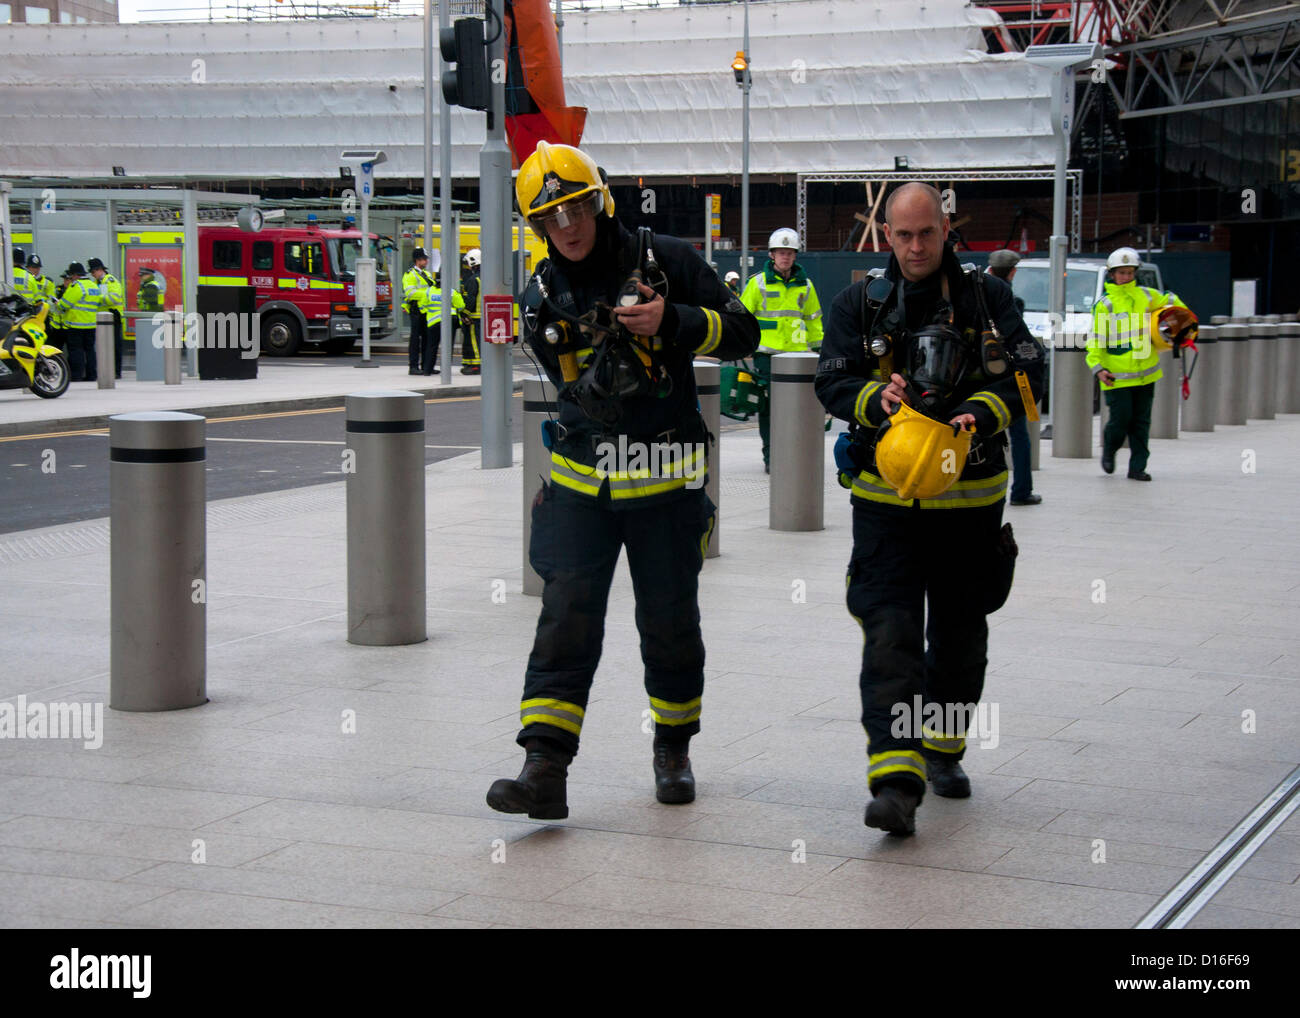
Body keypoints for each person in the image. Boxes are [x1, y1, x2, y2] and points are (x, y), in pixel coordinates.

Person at [485, 141, 759, 818]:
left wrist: (675, 323)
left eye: (576, 207)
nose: (568, 227)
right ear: (537, 226)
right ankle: (544, 765)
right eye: (551, 217)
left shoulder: (666, 259)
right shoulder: (542, 293)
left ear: (598, 202)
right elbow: (574, 389)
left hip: (665, 480)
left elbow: (745, 333)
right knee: (565, 617)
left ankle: (673, 747)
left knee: (669, 621)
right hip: (583, 485)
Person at [815, 182, 1044, 836]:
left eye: (927, 233)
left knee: (958, 637)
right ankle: (895, 777)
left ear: (946, 229)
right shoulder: (858, 304)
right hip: (887, 505)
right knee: (888, 632)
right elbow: (830, 381)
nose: (916, 247)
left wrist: (982, 411)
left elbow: (1030, 370)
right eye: (903, 235)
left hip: (970, 502)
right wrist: (873, 398)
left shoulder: (986, 298)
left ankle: (943, 751)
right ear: (886, 235)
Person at [1087, 247, 1188, 482]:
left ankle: (1137, 467)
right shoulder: (1106, 305)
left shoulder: (1148, 295)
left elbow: (1173, 302)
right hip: (1116, 375)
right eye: (1121, 273)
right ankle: (1110, 449)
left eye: (1130, 272)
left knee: (1141, 423)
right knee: (1120, 420)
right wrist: (1097, 368)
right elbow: (1096, 340)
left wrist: (1183, 322)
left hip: (1146, 374)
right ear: (1112, 274)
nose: (1126, 277)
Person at [739, 227, 823, 472]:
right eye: (780, 252)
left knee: (798, 408)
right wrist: (743, 346)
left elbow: (814, 320)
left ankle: (794, 454)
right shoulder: (757, 283)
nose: (785, 257)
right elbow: (743, 317)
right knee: (770, 409)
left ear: (795, 255)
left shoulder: (806, 286)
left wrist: (819, 352)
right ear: (771, 255)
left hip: (798, 356)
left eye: (789, 252)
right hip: (767, 355)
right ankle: (771, 457)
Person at [986, 249, 1041, 506]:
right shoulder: (1010, 300)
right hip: (1008, 376)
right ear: (1013, 271)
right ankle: (1021, 490)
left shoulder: (975, 290)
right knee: (1019, 434)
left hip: (978, 377)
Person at [56, 262, 104, 382]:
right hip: (91, 324)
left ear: (75, 275)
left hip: (76, 324)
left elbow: (65, 304)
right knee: (90, 350)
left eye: (71, 276)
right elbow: (98, 303)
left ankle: (76, 375)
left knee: (76, 351)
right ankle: (91, 374)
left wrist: (58, 303)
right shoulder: (93, 286)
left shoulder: (76, 286)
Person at [88, 258, 126, 379]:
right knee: (104, 346)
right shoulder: (97, 282)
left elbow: (114, 298)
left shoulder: (110, 281)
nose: (92, 274)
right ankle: (107, 369)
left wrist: (98, 298)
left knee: (114, 345)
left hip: (112, 315)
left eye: (93, 272)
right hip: (102, 318)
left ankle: (116, 371)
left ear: (99, 270)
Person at [402, 248, 435, 375]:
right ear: (417, 260)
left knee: (427, 338)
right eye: (424, 259)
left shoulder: (426, 274)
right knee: (415, 339)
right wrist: (427, 294)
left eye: (426, 258)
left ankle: (427, 366)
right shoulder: (410, 274)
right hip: (416, 309)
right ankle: (413, 366)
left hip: (427, 310)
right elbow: (410, 293)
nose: (426, 261)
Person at [459, 248, 482, 374]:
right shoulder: (485, 278)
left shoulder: (474, 280)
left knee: (474, 341)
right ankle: (470, 363)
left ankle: (476, 366)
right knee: (474, 341)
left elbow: (471, 299)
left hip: (474, 317)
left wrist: (464, 313)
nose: (467, 266)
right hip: (482, 316)